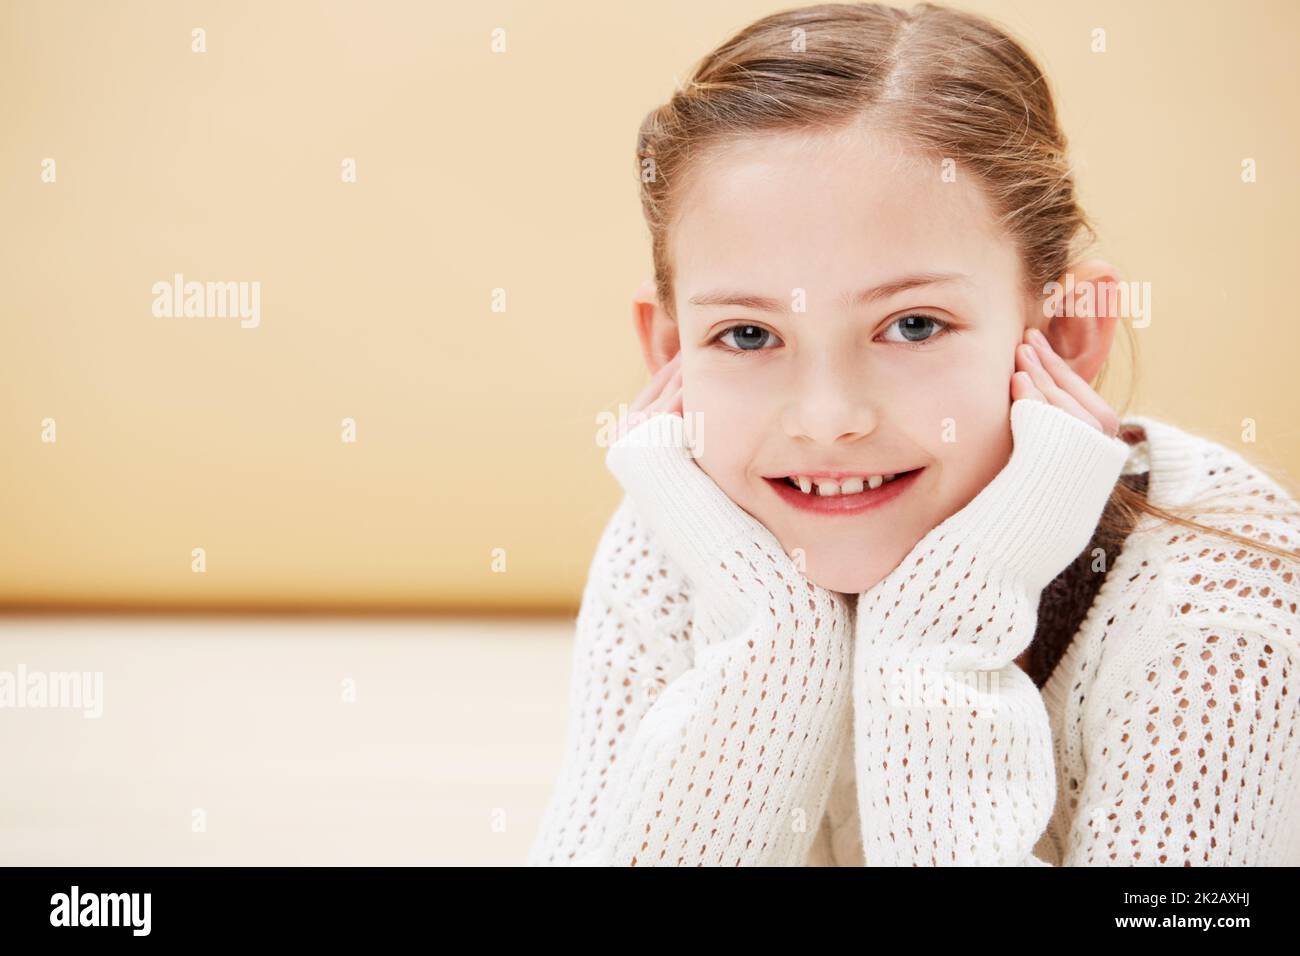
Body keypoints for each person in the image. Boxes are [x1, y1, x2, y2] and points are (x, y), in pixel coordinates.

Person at [528, 1, 1300, 866]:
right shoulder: (681, 534)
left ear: (1069, 330)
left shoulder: (1221, 604)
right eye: (747, 336)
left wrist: (941, 635)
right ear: (672, 350)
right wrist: (775, 646)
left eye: (914, 326)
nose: (827, 420)